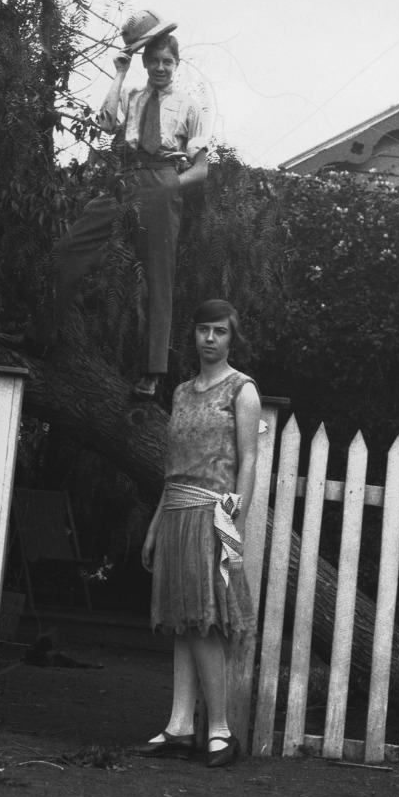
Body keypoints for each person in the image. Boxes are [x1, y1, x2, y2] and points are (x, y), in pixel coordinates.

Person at [6, 11, 208, 400]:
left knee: (157, 278)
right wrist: (118, 73)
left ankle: (151, 373)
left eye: (168, 62)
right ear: (144, 62)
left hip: (162, 181)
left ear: (177, 65)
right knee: (69, 248)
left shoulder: (190, 106)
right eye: (154, 61)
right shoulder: (132, 96)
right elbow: (104, 124)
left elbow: (200, 169)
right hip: (124, 178)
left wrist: (170, 187)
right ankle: (39, 336)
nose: (161, 67)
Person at [128, 298, 261, 768]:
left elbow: (248, 464)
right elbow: (172, 470)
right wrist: (156, 524)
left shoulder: (242, 391)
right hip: (177, 513)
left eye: (219, 331)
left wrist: (235, 527)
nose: (210, 338)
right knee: (181, 621)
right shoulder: (182, 393)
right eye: (203, 329)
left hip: (214, 513)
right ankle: (180, 726)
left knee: (205, 621)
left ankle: (221, 731)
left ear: (232, 337)